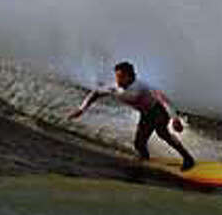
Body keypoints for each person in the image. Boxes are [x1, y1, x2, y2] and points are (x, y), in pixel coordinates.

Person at [68, 61, 196, 171]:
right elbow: (96, 93)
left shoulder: (141, 86)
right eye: (117, 76)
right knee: (139, 143)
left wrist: (174, 118)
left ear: (129, 76)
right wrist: (81, 109)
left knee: (162, 133)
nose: (117, 80)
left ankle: (188, 159)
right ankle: (145, 159)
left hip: (158, 111)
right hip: (146, 115)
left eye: (121, 77)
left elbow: (163, 99)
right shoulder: (114, 88)